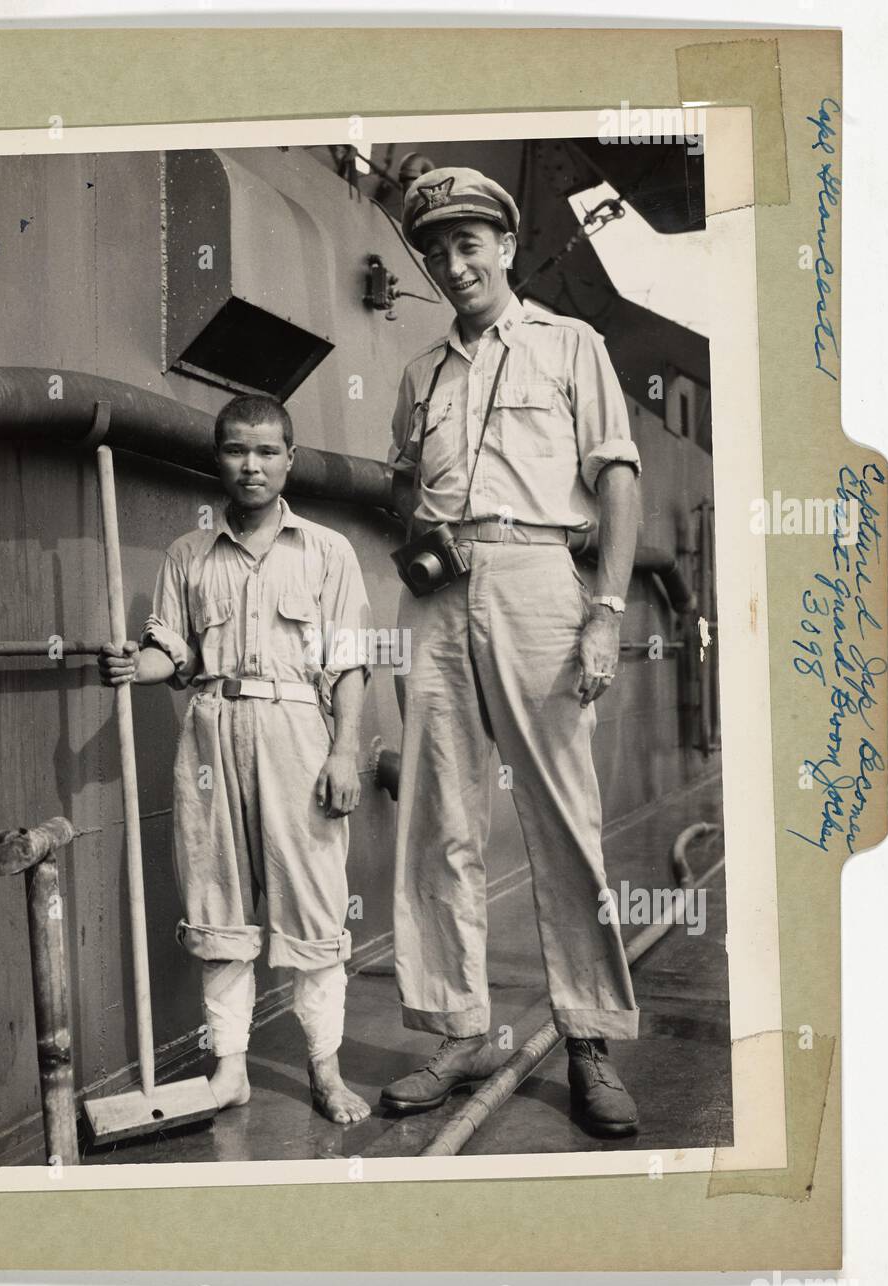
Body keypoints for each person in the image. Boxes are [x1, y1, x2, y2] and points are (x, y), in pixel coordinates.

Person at [381, 166, 642, 1138]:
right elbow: (401, 485)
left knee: (559, 817)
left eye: (468, 242)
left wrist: (604, 608)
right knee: (437, 821)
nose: (452, 263)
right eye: (435, 249)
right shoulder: (418, 374)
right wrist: (415, 527)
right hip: (440, 597)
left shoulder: (571, 344)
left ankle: (586, 1038)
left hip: (539, 578)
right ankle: (458, 1030)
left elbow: (615, 480)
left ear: (502, 243)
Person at [98, 394, 372, 1124]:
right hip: (212, 734)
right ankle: (231, 1071)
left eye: (266, 451)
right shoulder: (187, 555)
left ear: (289, 458)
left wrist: (345, 752)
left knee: (314, 911)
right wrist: (138, 664)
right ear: (217, 458)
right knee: (218, 909)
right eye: (235, 450)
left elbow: (348, 664)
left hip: (297, 737)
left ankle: (326, 1071)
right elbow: (173, 651)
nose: (251, 465)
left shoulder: (327, 552)